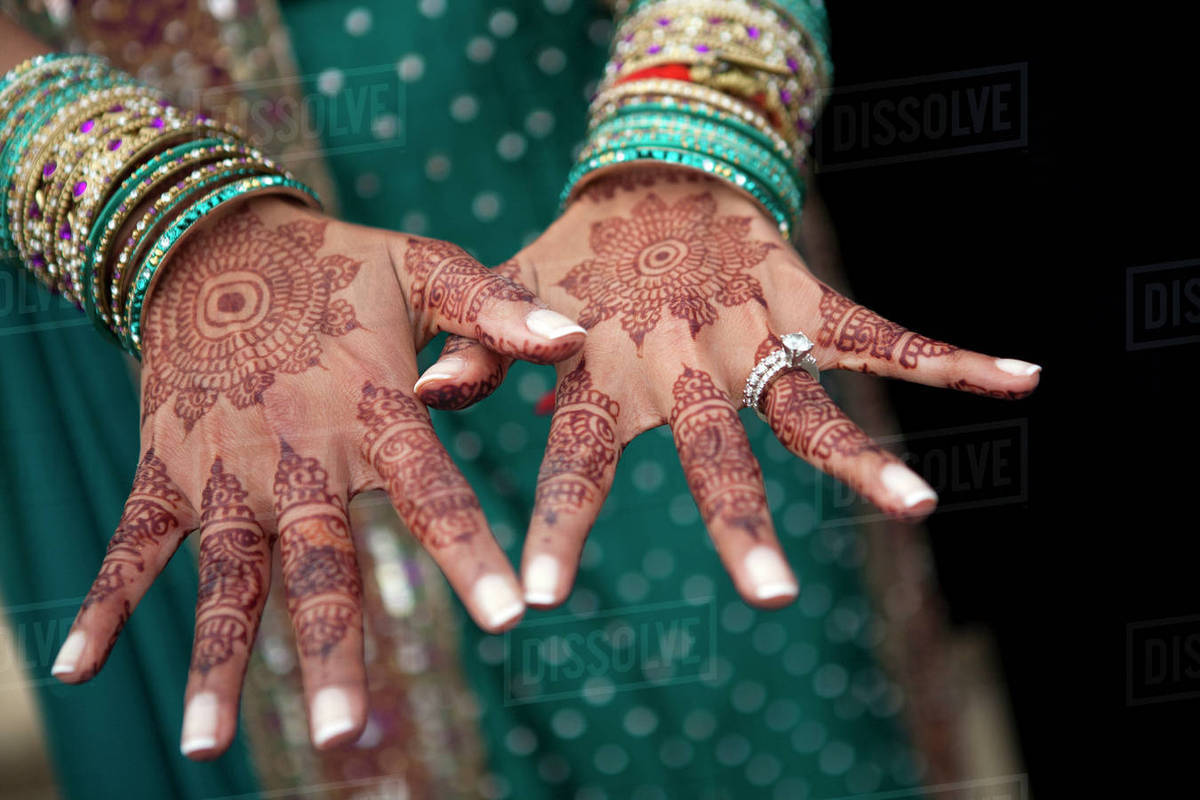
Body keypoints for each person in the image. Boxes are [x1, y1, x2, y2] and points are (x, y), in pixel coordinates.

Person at [0, 1, 1040, 798]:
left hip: (561, 138)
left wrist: (697, 122)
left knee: (746, 694)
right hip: (137, 298)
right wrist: (142, 208)